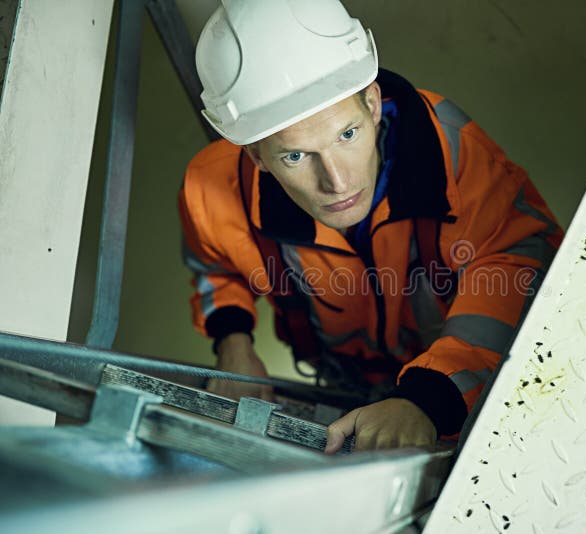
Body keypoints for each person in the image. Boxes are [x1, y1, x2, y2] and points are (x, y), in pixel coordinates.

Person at [179, 0, 563, 453]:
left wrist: (426, 397)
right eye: (295, 156)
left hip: (460, 386)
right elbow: (217, 269)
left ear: (373, 104)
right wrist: (233, 338)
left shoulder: (454, 152)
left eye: (347, 134)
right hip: (350, 381)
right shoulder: (214, 186)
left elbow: (518, 268)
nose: (337, 182)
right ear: (257, 156)